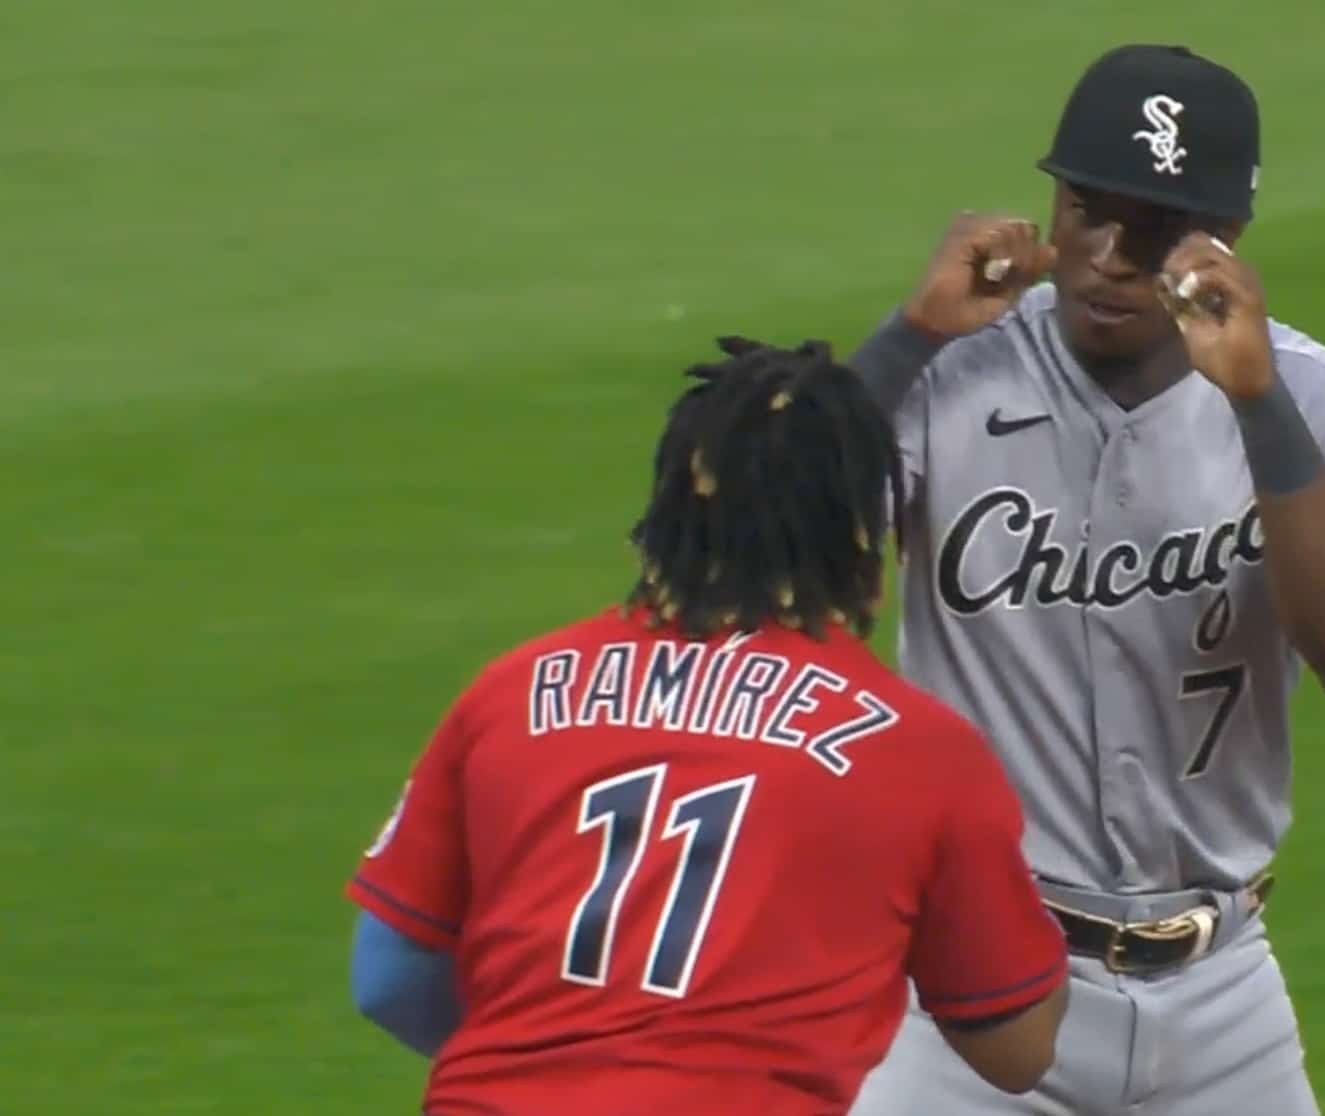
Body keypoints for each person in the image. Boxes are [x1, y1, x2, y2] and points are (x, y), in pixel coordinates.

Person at [844, 44, 1325, 1116]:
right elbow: (760, 550)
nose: (1106, 257)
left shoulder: (1321, 399)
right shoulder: (949, 367)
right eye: (1084, 210)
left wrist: (1256, 406)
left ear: (1225, 241)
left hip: (1223, 998)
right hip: (967, 986)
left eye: (1150, 228)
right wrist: (905, 340)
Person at [344, 337, 1069, 1115]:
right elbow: (1016, 1048)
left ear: (668, 503)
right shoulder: (919, 750)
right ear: (861, 523)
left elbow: (386, 978)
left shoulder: (512, 691)